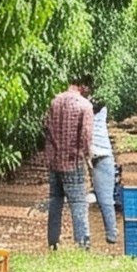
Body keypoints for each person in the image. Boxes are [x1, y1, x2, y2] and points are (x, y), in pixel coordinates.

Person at [44, 75, 94, 250]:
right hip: (73, 162)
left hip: (54, 163)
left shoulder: (54, 102)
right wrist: (88, 157)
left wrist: (50, 157)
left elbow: (47, 129)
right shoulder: (85, 106)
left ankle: (53, 244)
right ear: (83, 86)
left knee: (55, 202)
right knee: (78, 203)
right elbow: (86, 135)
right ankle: (82, 245)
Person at [89, 99, 119, 245]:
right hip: (95, 153)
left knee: (105, 199)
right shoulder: (90, 104)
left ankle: (111, 234)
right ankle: (109, 233)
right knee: (103, 198)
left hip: (99, 154)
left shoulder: (91, 105)